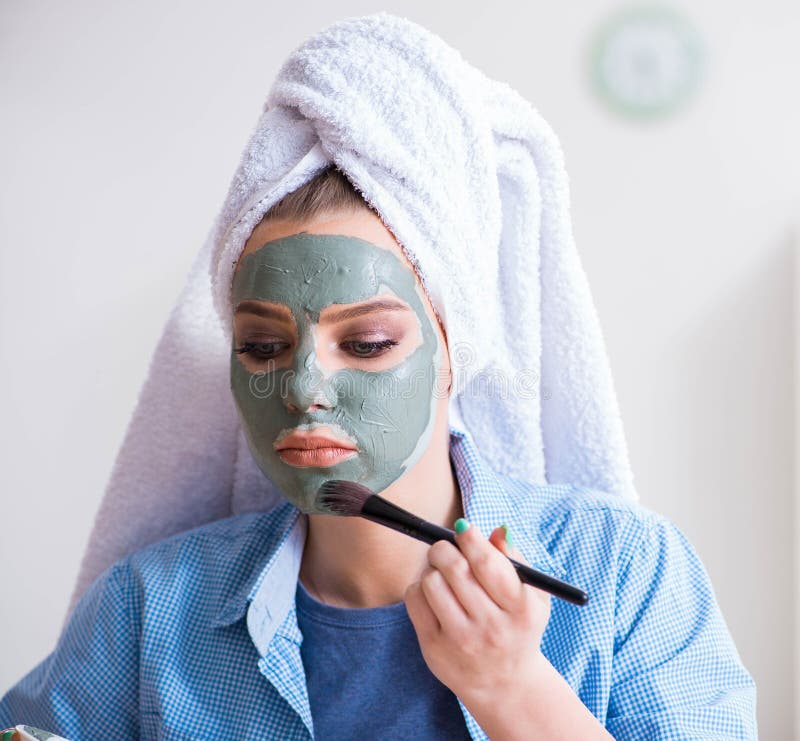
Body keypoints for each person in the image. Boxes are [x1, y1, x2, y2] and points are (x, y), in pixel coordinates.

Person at [2, 12, 757, 741]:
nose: (302, 388)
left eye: (364, 341)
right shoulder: (146, 611)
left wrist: (513, 691)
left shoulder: (626, 572)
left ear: (454, 350)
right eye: (263, 346)